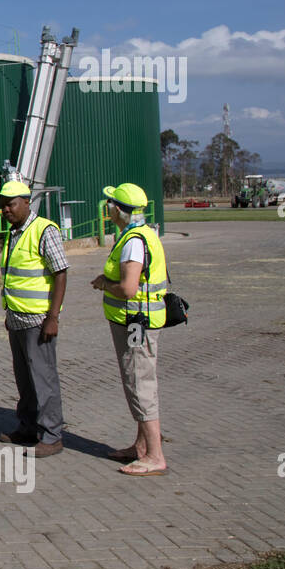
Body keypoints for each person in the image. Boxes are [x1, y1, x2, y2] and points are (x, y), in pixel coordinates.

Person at [90, 183, 169, 476]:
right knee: (139, 378)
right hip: (137, 320)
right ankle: (142, 447)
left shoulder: (134, 242)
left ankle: (155, 455)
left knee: (139, 382)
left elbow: (128, 287)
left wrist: (103, 283)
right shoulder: (141, 234)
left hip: (136, 322)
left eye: (111, 203)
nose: (107, 207)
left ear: (119, 210)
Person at [0, 180, 69, 457]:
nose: (5, 209)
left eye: (11, 204)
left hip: (38, 321)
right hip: (16, 319)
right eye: (2, 204)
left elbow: (60, 272)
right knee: (24, 379)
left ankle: (52, 436)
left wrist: (53, 317)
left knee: (43, 378)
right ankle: (27, 427)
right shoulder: (14, 232)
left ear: (27, 202)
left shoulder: (44, 230)